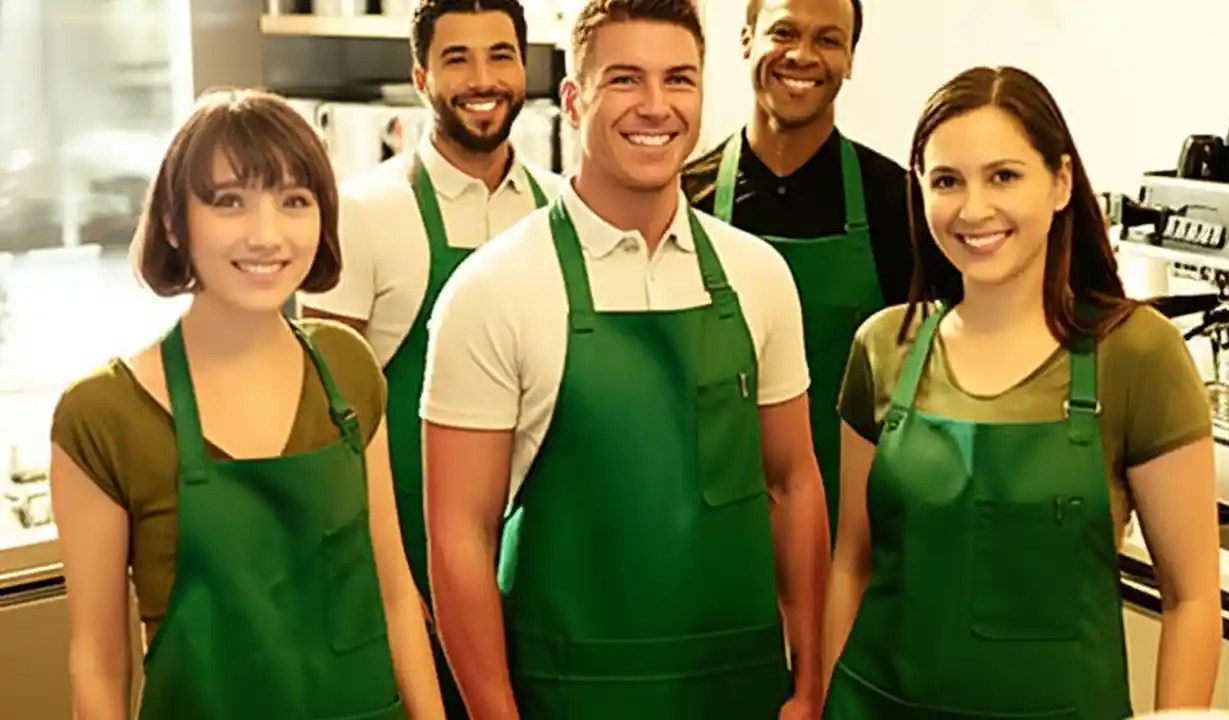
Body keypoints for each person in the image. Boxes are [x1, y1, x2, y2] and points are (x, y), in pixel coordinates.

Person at [421, 0, 830, 717]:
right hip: (568, 692)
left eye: (679, 80)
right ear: (574, 100)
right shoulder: (493, 290)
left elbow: (793, 483)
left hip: (739, 687)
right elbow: (459, 534)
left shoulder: (757, 276)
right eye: (625, 80)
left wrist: (811, 682)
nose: (655, 106)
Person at [821, 66, 1222, 718]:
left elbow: (1192, 597)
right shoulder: (883, 346)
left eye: (1003, 176)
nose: (973, 209)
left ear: (1061, 182)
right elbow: (850, 565)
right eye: (946, 180)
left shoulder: (1137, 354)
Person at [49, 89, 443, 720]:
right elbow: (98, 663)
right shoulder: (101, 416)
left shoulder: (347, 369)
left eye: (294, 201)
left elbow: (395, 593)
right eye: (229, 201)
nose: (267, 235)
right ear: (174, 223)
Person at [296, 0, 563, 712]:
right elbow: (325, 424)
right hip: (407, 591)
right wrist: (387, 584)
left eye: (500, 55)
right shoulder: (363, 214)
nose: (483, 78)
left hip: (545, 589)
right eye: (457, 58)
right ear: (420, 77)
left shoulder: (561, 210)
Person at [681, 0, 911, 537]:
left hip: (854, 534)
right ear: (745, 40)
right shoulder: (683, 200)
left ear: (850, 59)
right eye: (784, 32)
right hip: (707, 529)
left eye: (828, 40)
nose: (803, 56)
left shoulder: (897, 203)